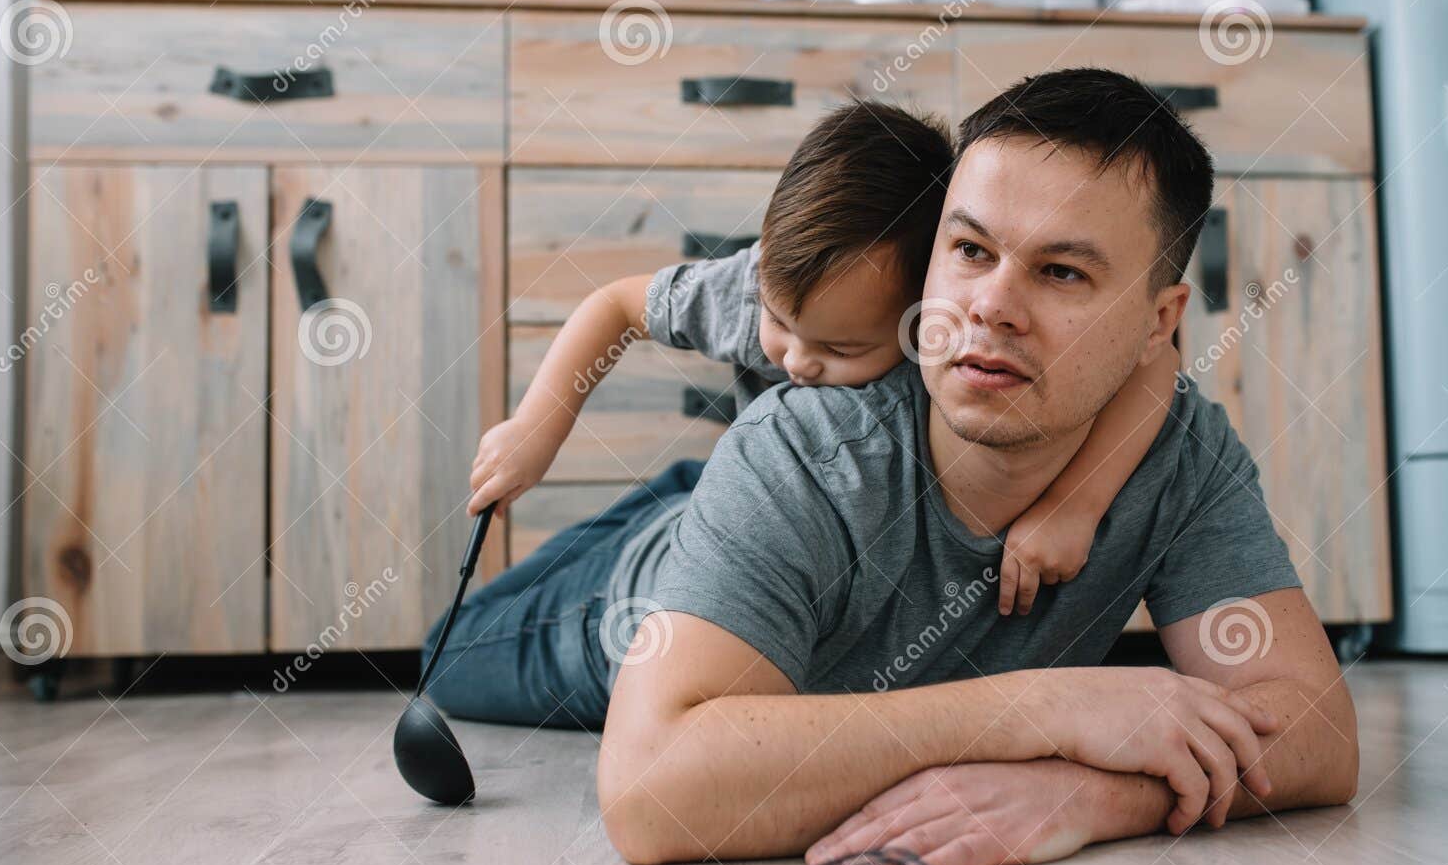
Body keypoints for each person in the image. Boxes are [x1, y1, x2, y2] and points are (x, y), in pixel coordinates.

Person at [427, 70, 1359, 865]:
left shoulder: (1178, 453)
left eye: (1063, 273)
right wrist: (1052, 707)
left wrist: (1090, 793)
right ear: (928, 259)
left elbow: (1317, 733)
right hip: (635, 589)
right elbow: (652, 795)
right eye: (971, 250)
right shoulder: (806, 441)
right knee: (450, 658)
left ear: (1160, 322)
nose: (990, 307)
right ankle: (684, 523)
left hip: (768, 522)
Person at [464, 99, 1180, 617]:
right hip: (722, 500)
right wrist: (537, 428)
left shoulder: (947, 328)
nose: (798, 362)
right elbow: (618, 305)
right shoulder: (752, 290)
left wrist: (1075, 506)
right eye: (781, 326)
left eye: (841, 349)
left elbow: (1154, 364)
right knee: (498, 610)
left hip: (754, 510)